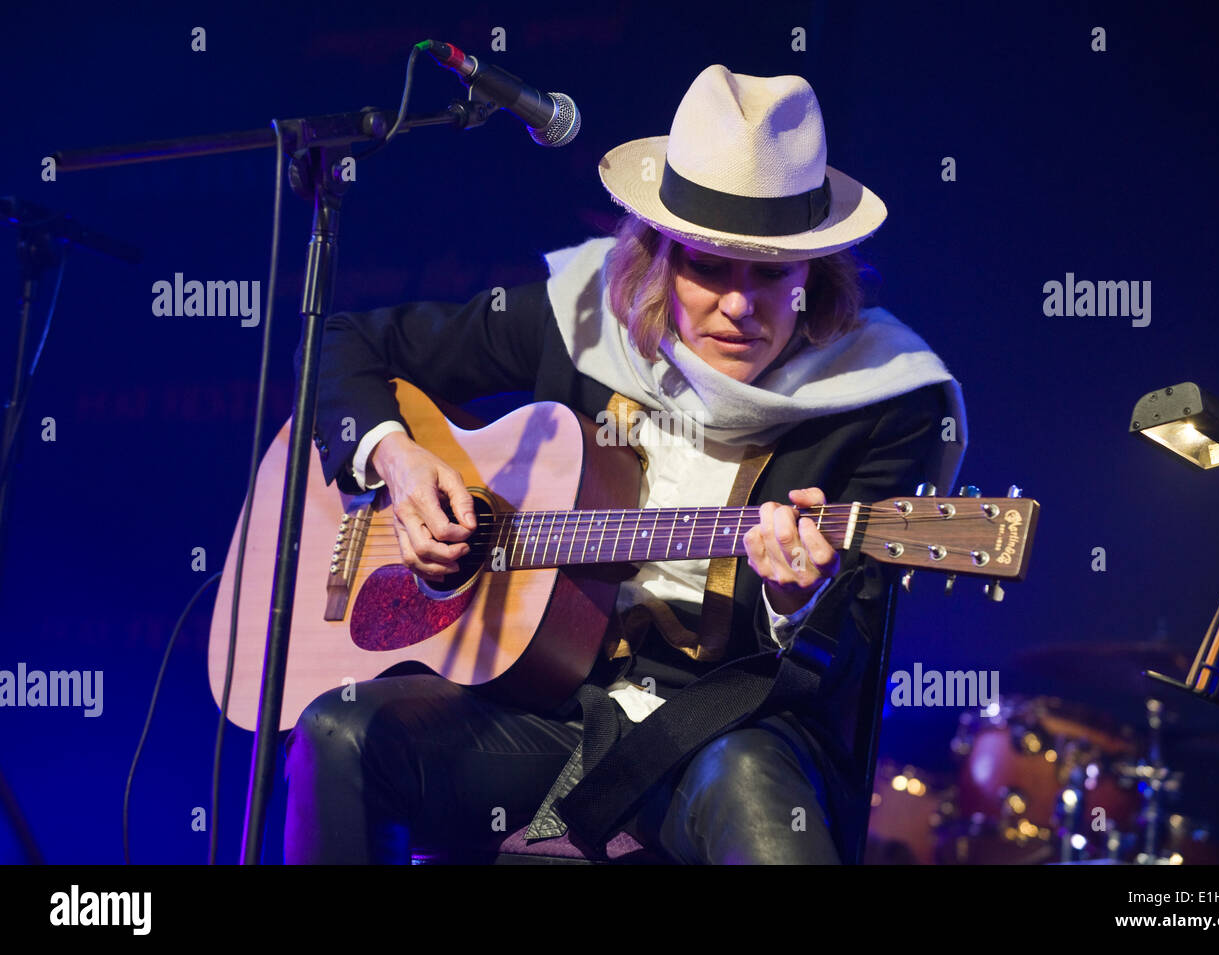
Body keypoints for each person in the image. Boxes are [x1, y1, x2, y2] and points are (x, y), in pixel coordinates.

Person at [283, 64, 966, 864]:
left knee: (748, 784)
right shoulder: (579, 314)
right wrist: (392, 457)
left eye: (771, 273)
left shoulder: (889, 397)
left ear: (815, 273)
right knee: (340, 730)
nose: (739, 306)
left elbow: (849, 650)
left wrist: (796, 598)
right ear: (659, 254)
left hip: (732, 729)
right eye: (708, 266)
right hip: (546, 706)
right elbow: (341, 344)